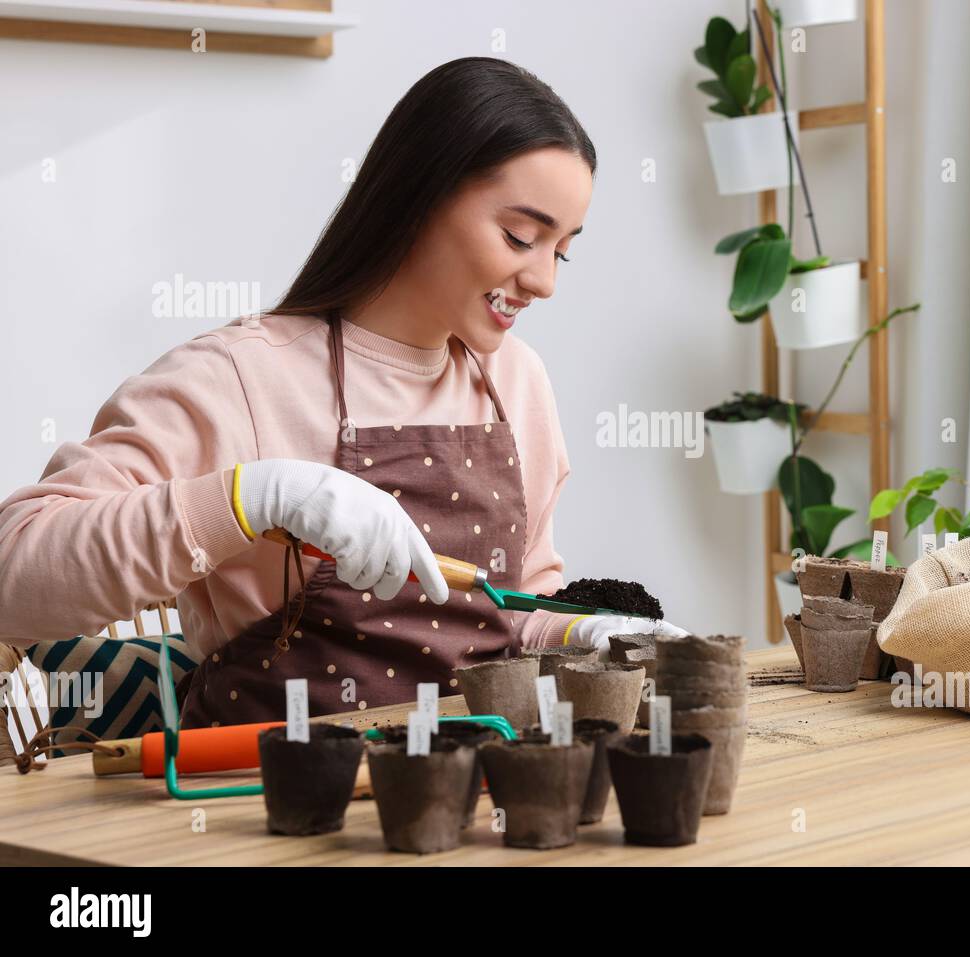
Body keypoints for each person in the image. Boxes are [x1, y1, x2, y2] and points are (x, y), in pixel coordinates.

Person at [0, 57, 686, 729]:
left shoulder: (516, 381)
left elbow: (503, 612)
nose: (544, 281)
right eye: (521, 236)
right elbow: (14, 575)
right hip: (261, 805)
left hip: (462, 796)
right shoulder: (240, 379)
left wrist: (578, 635)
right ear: (419, 195)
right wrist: (249, 498)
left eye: (560, 250)